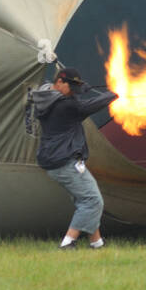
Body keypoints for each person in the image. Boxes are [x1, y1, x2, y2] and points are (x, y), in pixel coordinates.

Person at [31, 67, 118, 249]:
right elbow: (86, 107)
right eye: (71, 86)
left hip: (55, 159)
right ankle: (68, 242)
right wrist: (114, 94)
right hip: (65, 161)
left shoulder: (46, 95)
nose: (73, 91)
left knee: (84, 199)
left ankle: (96, 243)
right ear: (60, 82)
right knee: (92, 200)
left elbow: (70, 100)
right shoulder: (66, 106)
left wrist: (78, 90)